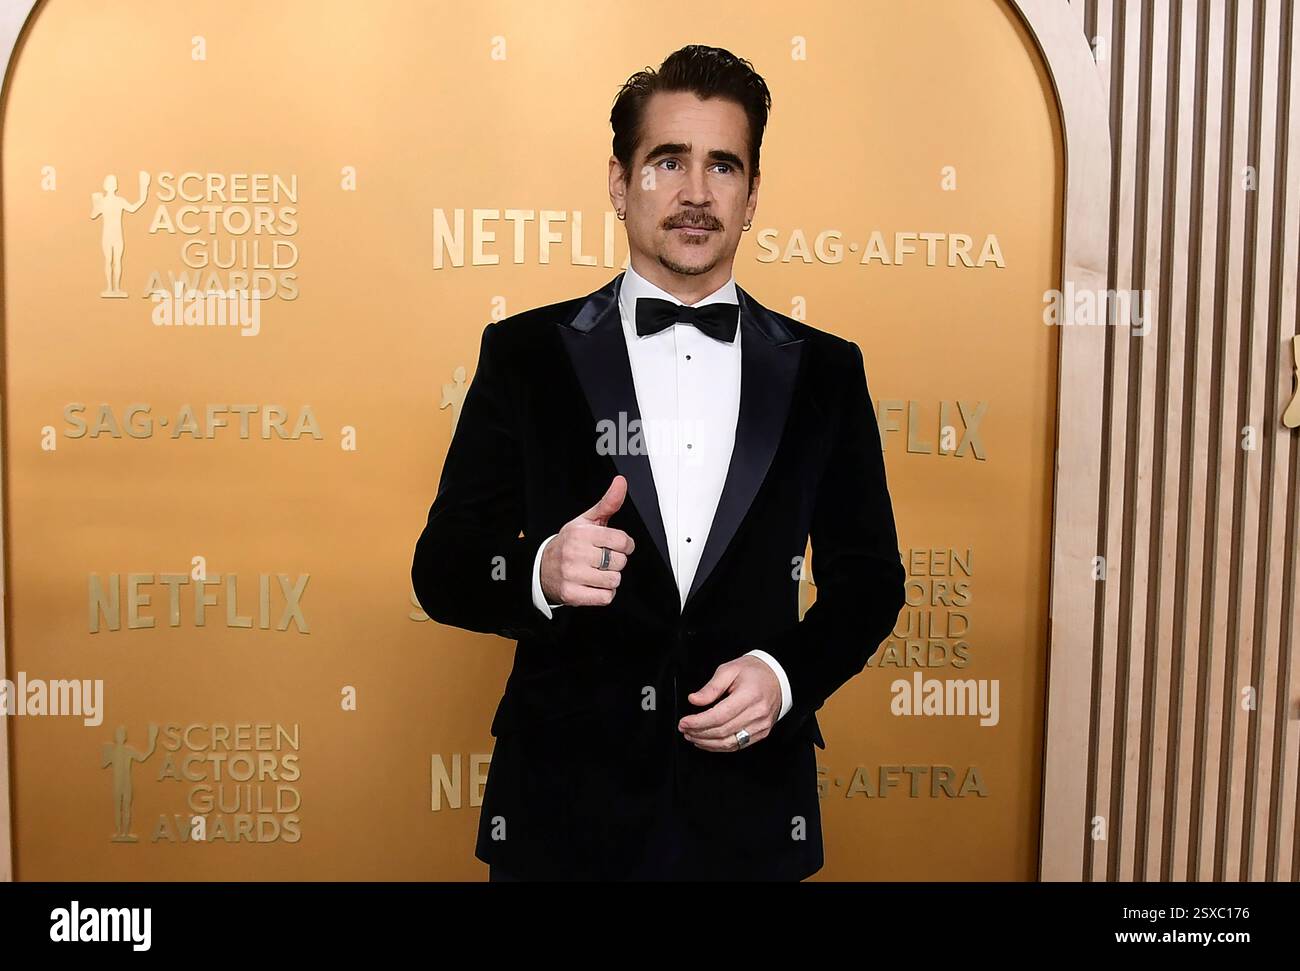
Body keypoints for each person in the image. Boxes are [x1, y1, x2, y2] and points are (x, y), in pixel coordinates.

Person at [412, 44, 905, 881]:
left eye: (724, 165)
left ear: (753, 195)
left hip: (750, 817)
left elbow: (869, 582)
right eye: (667, 160)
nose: (695, 192)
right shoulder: (525, 354)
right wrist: (539, 568)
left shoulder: (827, 370)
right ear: (619, 180)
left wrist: (787, 675)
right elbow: (443, 567)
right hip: (561, 819)